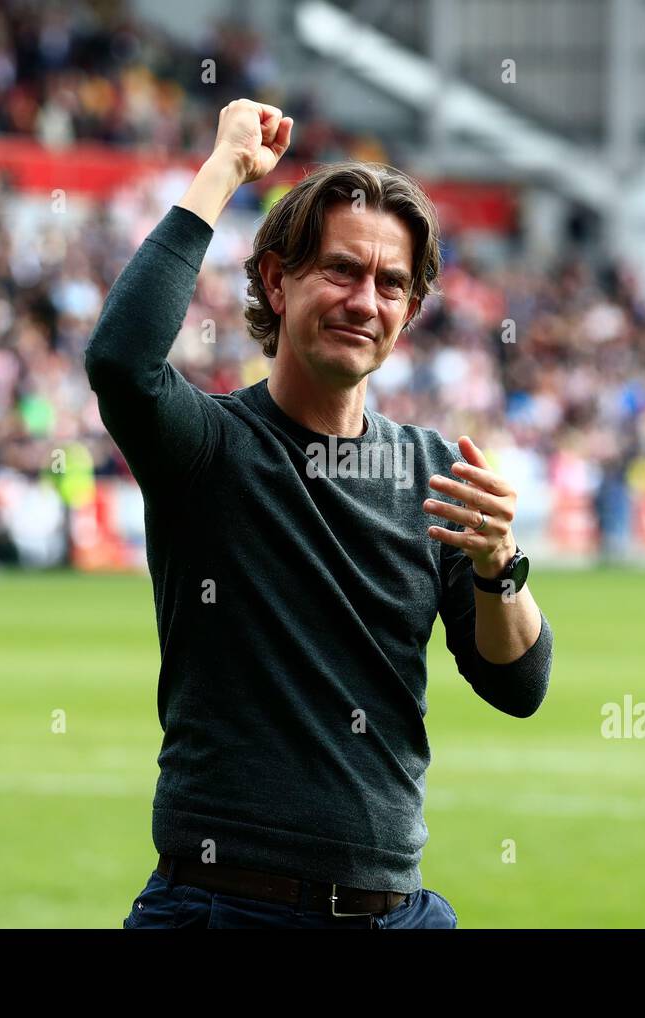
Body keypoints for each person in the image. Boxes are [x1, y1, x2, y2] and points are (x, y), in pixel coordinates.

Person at [85, 99, 554, 929]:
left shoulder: (436, 472)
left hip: (396, 912)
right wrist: (225, 168)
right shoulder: (209, 448)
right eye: (340, 270)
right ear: (276, 279)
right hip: (225, 909)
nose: (364, 300)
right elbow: (121, 362)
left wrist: (499, 566)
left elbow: (518, 685)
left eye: (391, 284)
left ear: (410, 313)